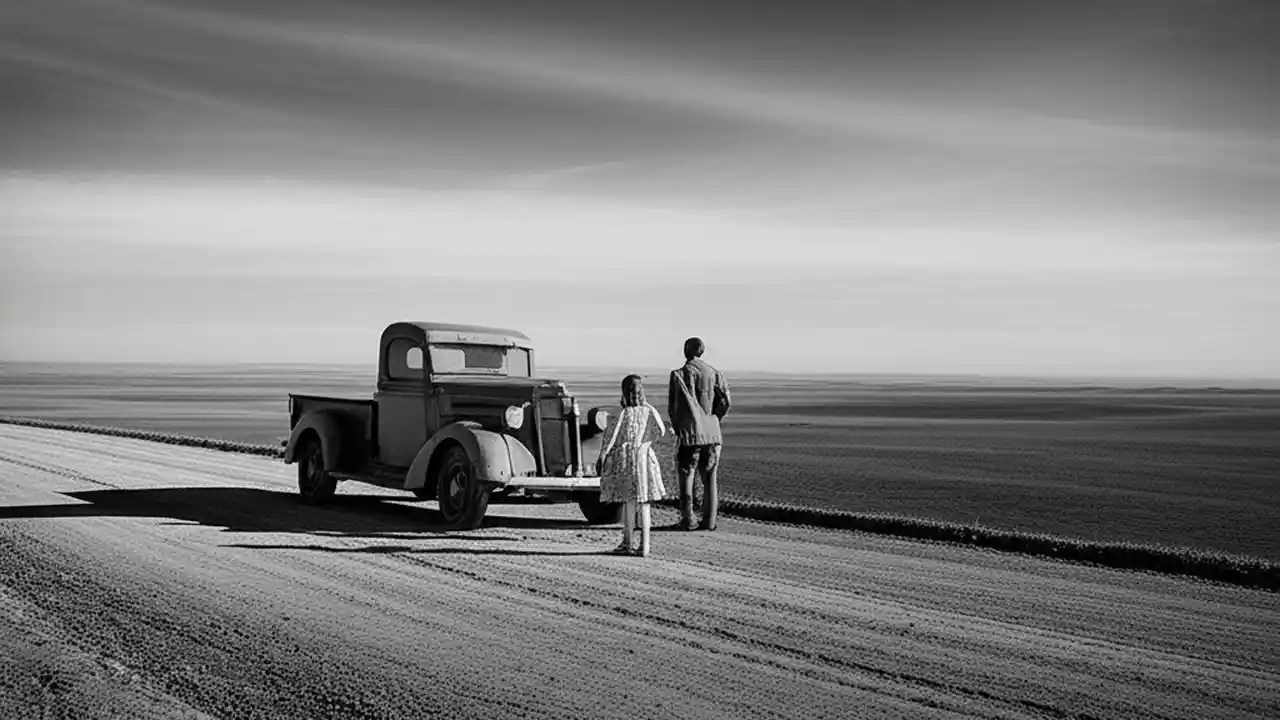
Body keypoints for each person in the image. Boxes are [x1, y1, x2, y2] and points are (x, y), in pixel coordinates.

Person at [596, 374, 668, 557]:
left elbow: (611, 438)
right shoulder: (650, 410)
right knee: (644, 503)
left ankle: (627, 542)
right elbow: (661, 430)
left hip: (627, 460)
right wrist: (646, 443)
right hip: (645, 458)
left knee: (629, 502)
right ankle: (645, 546)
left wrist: (603, 457)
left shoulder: (623, 413)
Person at [667, 336, 731, 531]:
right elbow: (725, 402)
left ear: (687, 351)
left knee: (687, 475)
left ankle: (688, 519)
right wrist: (713, 419)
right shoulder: (715, 373)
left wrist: (679, 428)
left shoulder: (679, 374)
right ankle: (710, 520)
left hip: (691, 432)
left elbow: (674, 407)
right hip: (712, 432)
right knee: (710, 477)